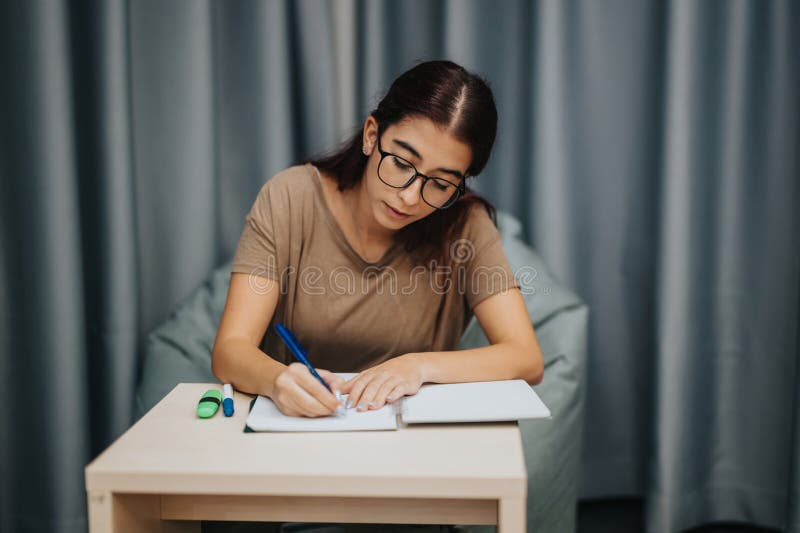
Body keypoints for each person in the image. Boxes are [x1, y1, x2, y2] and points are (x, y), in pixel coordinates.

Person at [211, 59, 543, 420]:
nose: (411, 197)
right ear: (372, 135)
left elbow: (526, 358)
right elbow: (230, 350)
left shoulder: (464, 225)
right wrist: (277, 380)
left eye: (441, 183)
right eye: (401, 163)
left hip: (412, 447)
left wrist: (419, 367)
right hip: (296, 431)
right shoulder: (290, 198)